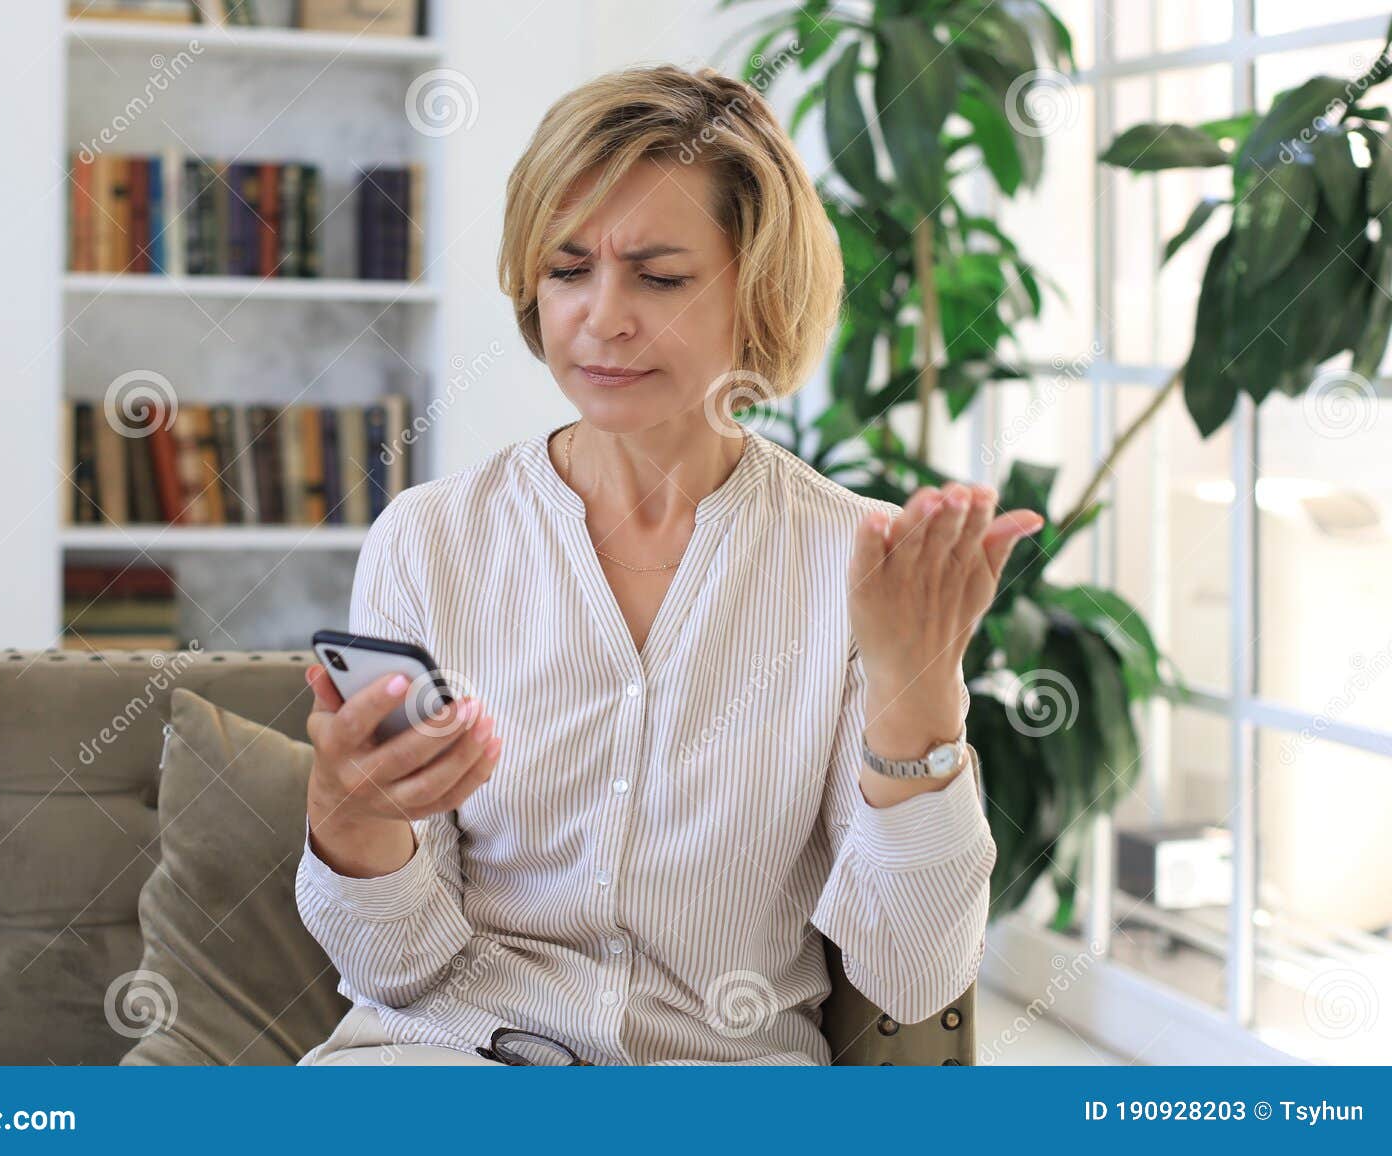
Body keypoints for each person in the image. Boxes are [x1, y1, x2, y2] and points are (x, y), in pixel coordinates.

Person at [295, 63, 1045, 1067]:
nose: (601, 317)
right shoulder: (429, 540)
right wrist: (350, 815)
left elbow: (912, 979)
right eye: (567, 270)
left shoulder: (855, 560)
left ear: (758, 289)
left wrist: (918, 699)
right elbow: (392, 966)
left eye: (658, 276)